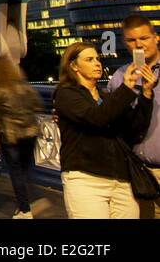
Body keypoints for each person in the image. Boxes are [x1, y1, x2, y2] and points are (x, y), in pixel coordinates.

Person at [55, 41, 155, 218]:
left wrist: (146, 95)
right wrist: (126, 88)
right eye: (89, 59)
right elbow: (97, 117)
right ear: (74, 66)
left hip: (121, 180)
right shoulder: (66, 94)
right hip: (87, 180)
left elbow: (134, 129)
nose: (97, 63)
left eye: (98, 59)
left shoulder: (106, 96)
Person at [107, 15, 160, 218]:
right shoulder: (120, 78)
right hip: (139, 174)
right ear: (124, 43)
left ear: (156, 38)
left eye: (144, 38)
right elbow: (110, 119)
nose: (139, 44)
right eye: (131, 40)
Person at [0, 54, 45, 218]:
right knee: (26, 169)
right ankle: (32, 199)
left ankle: (25, 210)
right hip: (30, 132)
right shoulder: (25, 87)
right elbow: (38, 105)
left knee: (16, 171)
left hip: (9, 135)